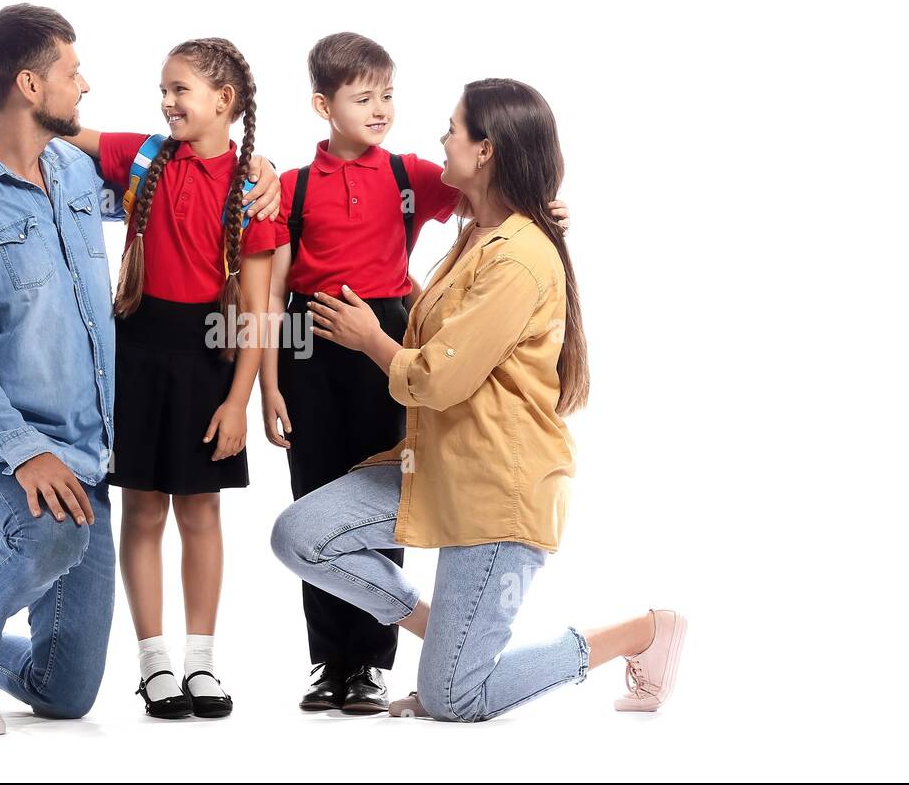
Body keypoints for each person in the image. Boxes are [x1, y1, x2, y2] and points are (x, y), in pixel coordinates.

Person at [0, 5, 282, 735]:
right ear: (32, 85)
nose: (88, 85)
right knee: (51, 533)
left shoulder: (75, 174)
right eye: (74, 73)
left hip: (83, 456)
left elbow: (181, 195)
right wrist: (27, 451)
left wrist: (252, 170)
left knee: (66, 691)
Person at [271, 78, 687, 722]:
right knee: (300, 536)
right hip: (435, 468)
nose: (441, 138)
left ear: (486, 150)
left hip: (497, 492)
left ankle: (644, 632)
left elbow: (437, 378)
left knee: (453, 699)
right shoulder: (475, 238)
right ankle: (449, 643)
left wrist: (371, 339)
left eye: (453, 128)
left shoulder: (519, 256)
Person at [260, 33, 570, 713]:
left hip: (392, 343)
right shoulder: (294, 185)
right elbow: (262, 270)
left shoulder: (413, 177)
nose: (382, 109)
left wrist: (545, 215)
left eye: (388, 95)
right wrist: (269, 381)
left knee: (396, 501)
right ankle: (329, 662)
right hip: (312, 337)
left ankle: (370, 662)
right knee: (315, 497)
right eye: (362, 97)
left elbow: (500, 204)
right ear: (323, 105)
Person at [63, 39, 276, 718]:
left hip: (209, 355)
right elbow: (66, 128)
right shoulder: (147, 156)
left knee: (201, 509)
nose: (167, 100)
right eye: (164, 88)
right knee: (145, 507)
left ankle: (202, 663)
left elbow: (257, 313)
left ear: (225, 102)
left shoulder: (252, 189)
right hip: (138, 346)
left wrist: (239, 401)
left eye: (180, 89)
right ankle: (153, 663)